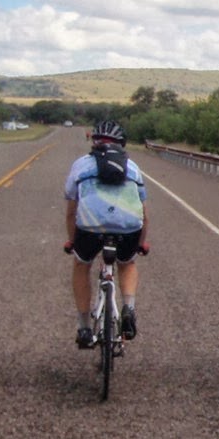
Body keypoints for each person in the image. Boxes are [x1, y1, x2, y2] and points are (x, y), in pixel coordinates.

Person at [64, 121, 149, 348]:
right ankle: (129, 308)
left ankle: (83, 327)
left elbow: (72, 211)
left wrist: (74, 241)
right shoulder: (132, 167)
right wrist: (140, 243)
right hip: (128, 227)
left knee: (81, 264)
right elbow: (143, 212)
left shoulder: (81, 165)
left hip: (90, 227)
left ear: (94, 141)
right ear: (122, 144)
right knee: (128, 263)